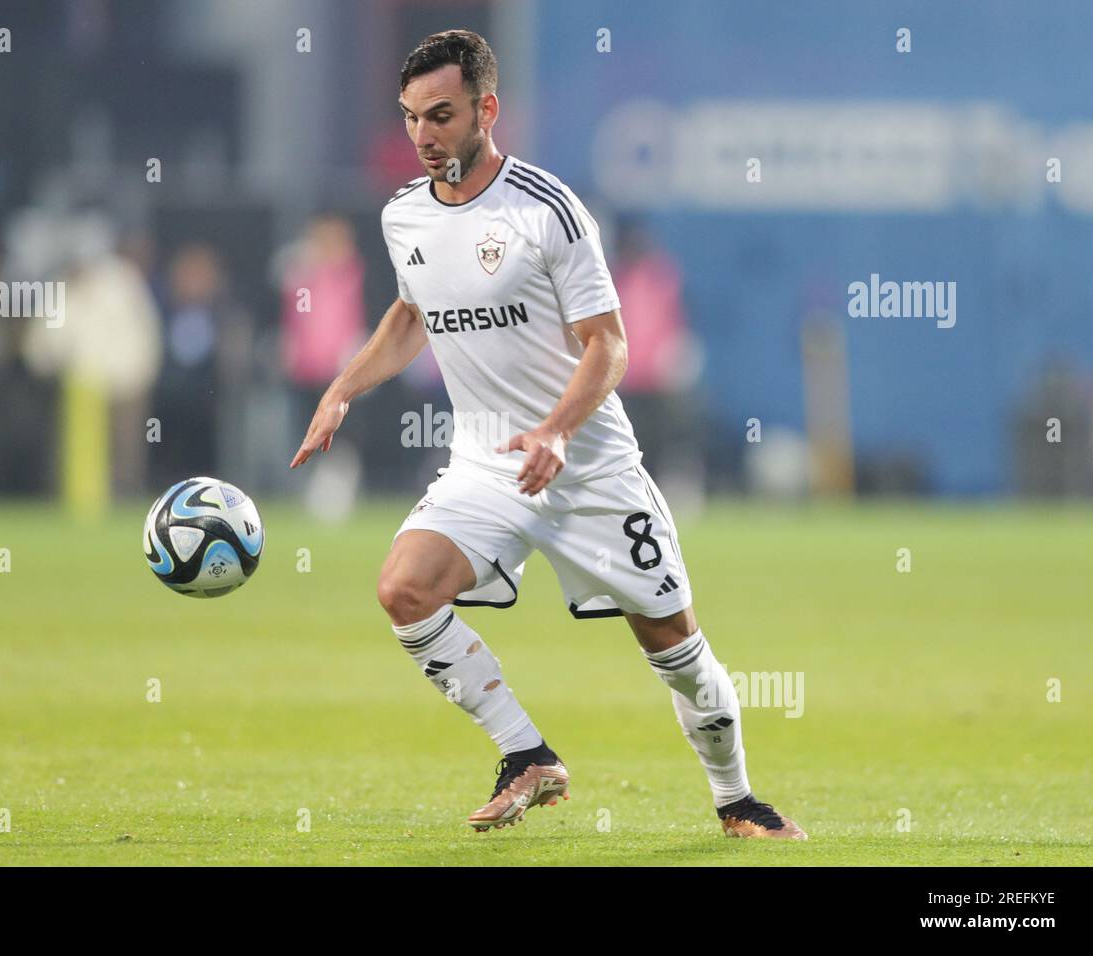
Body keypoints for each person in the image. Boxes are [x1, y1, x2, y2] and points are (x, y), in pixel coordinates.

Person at [290, 30, 804, 839]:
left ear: (486, 110)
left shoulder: (548, 209)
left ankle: (738, 799)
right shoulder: (403, 217)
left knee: (675, 645)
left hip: (590, 469)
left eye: (442, 115)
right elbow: (413, 312)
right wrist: (343, 389)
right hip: (486, 466)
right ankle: (525, 754)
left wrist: (559, 432)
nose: (423, 136)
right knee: (403, 589)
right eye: (411, 117)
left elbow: (610, 343)